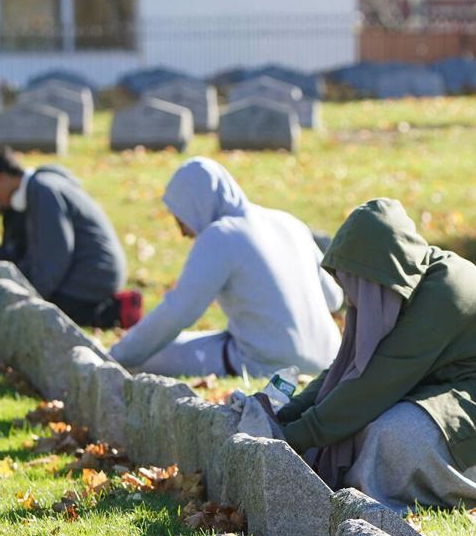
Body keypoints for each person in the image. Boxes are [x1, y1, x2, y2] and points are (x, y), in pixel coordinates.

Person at [275, 197, 476, 512]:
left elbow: (370, 387)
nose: (350, 295)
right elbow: (346, 368)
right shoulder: (394, 291)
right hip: (460, 390)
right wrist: (287, 413)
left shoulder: (444, 291)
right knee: (374, 430)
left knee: (394, 436)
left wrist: (288, 440)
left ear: (380, 271)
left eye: (353, 282)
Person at [109, 158, 342, 378]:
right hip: (329, 358)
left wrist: (114, 356)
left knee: (151, 354)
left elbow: (177, 312)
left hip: (267, 361)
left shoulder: (221, 234)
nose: (182, 232)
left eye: (181, 219)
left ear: (197, 205)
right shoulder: (289, 223)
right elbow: (334, 298)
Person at [0, 146, 128, 328]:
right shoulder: (38, 187)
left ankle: (115, 312)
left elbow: (53, 258)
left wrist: (30, 301)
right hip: (87, 275)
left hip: (89, 279)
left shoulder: (43, 190)